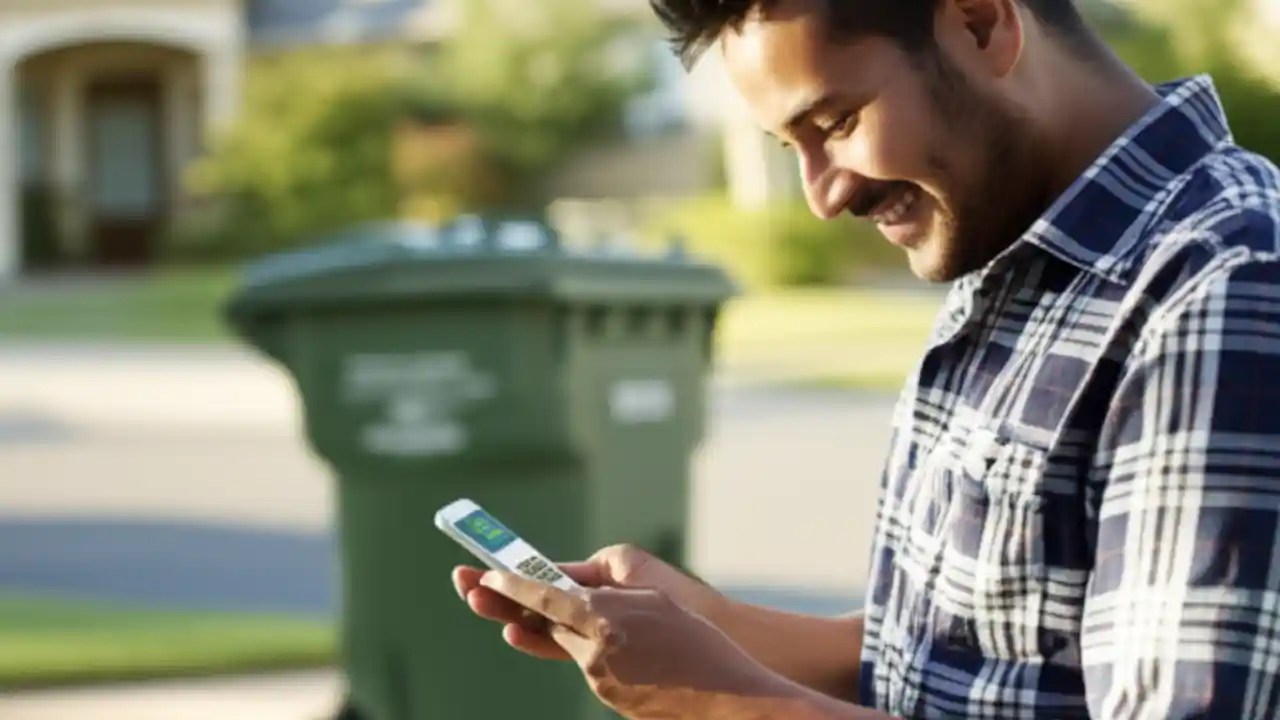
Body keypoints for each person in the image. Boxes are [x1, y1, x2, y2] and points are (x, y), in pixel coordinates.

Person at [453, 0, 1280, 716]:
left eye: (837, 123)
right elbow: (963, 665)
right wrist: (709, 629)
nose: (823, 193)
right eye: (792, 147)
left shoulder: (1224, 284)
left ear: (980, 22)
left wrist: (724, 701)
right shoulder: (1009, 241)